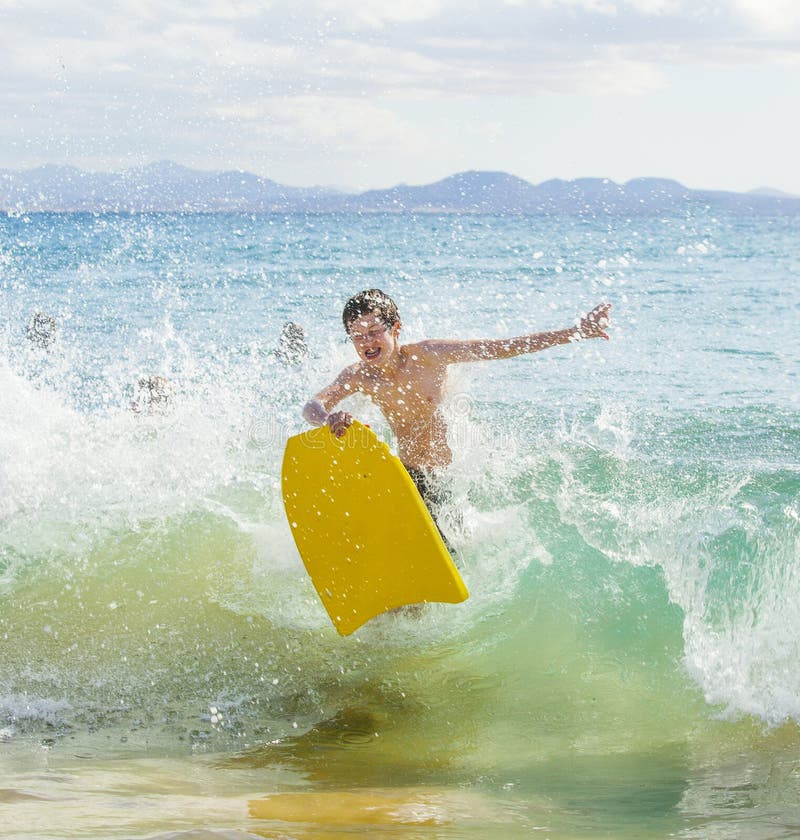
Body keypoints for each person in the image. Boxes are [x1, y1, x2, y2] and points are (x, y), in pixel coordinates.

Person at [302, 288, 611, 532]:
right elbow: (312, 406)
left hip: (448, 478)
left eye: (373, 331)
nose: (366, 341)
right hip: (409, 477)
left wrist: (576, 332)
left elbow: (501, 347)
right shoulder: (358, 375)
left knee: (447, 554)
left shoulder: (428, 356)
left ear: (396, 328)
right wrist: (329, 419)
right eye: (357, 335)